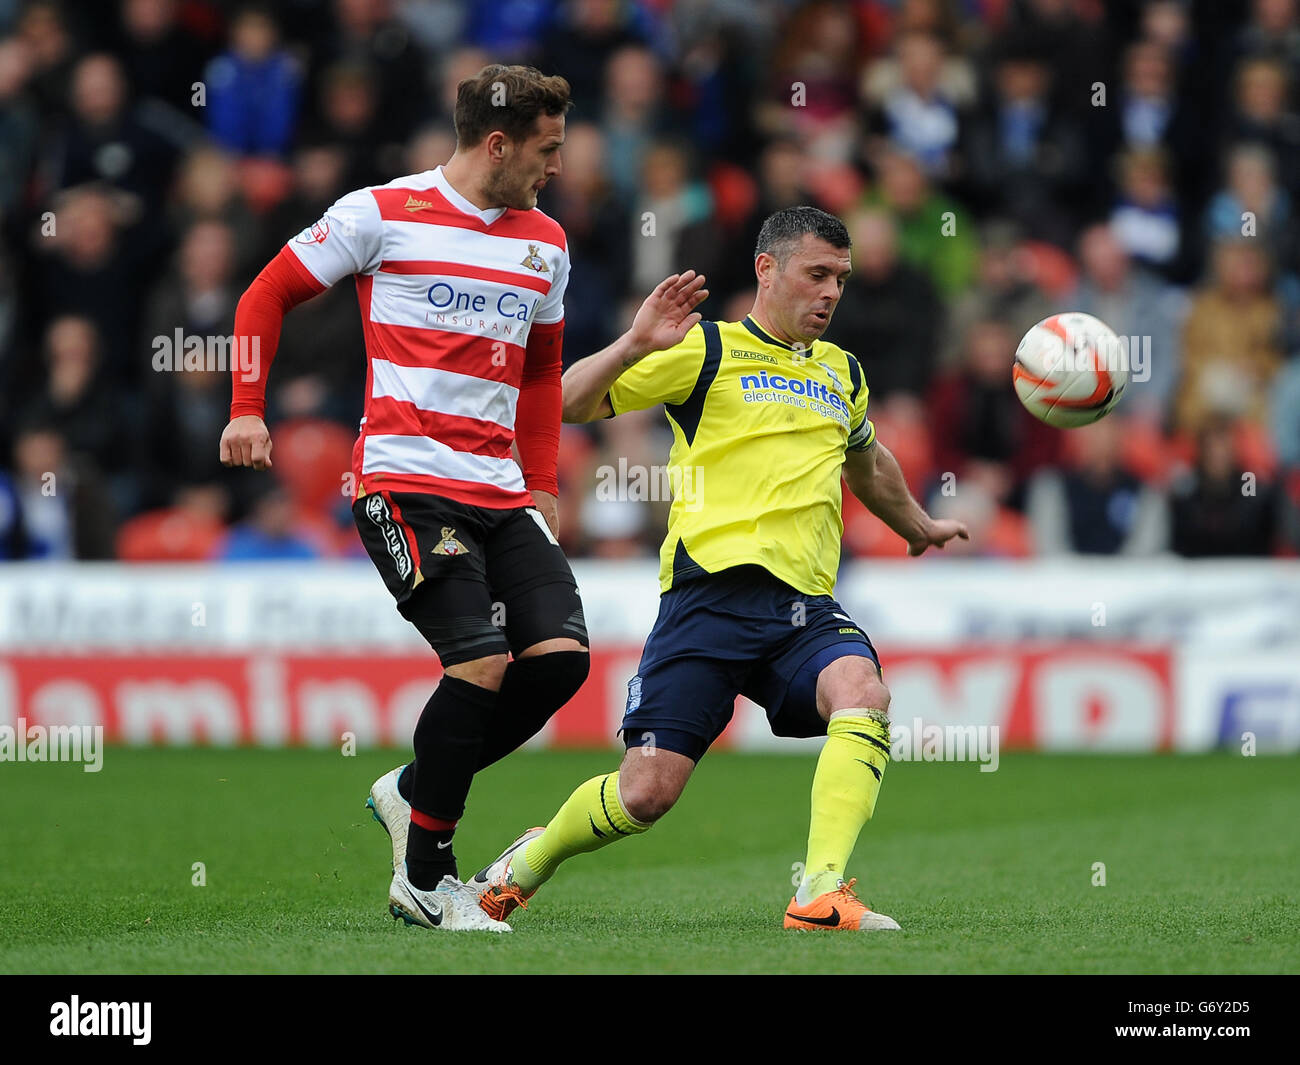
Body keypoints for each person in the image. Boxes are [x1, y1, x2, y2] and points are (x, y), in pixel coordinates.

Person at [468, 206, 968, 932]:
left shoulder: (843, 373)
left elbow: (869, 461)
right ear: (767, 268)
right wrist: (636, 340)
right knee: (646, 794)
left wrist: (917, 526)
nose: (830, 292)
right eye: (816, 274)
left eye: (842, 279)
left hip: (804, 608)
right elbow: (567, 402)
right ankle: (528, 861)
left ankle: (820, 890)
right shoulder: (705, 350)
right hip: (707, 601)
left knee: (862, 690)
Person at [219, 65, 597, 933]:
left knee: (561, 660)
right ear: (496, 144)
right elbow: (265, 292)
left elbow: (541, 370)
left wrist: (540, 481)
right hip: (405, 484)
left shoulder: (546, 241)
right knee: (479, 661)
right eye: (546, 150)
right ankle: (426, 877)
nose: (556, 167)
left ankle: (413, 789)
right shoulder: (380, 213)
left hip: (501, 493)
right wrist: (246, 408)